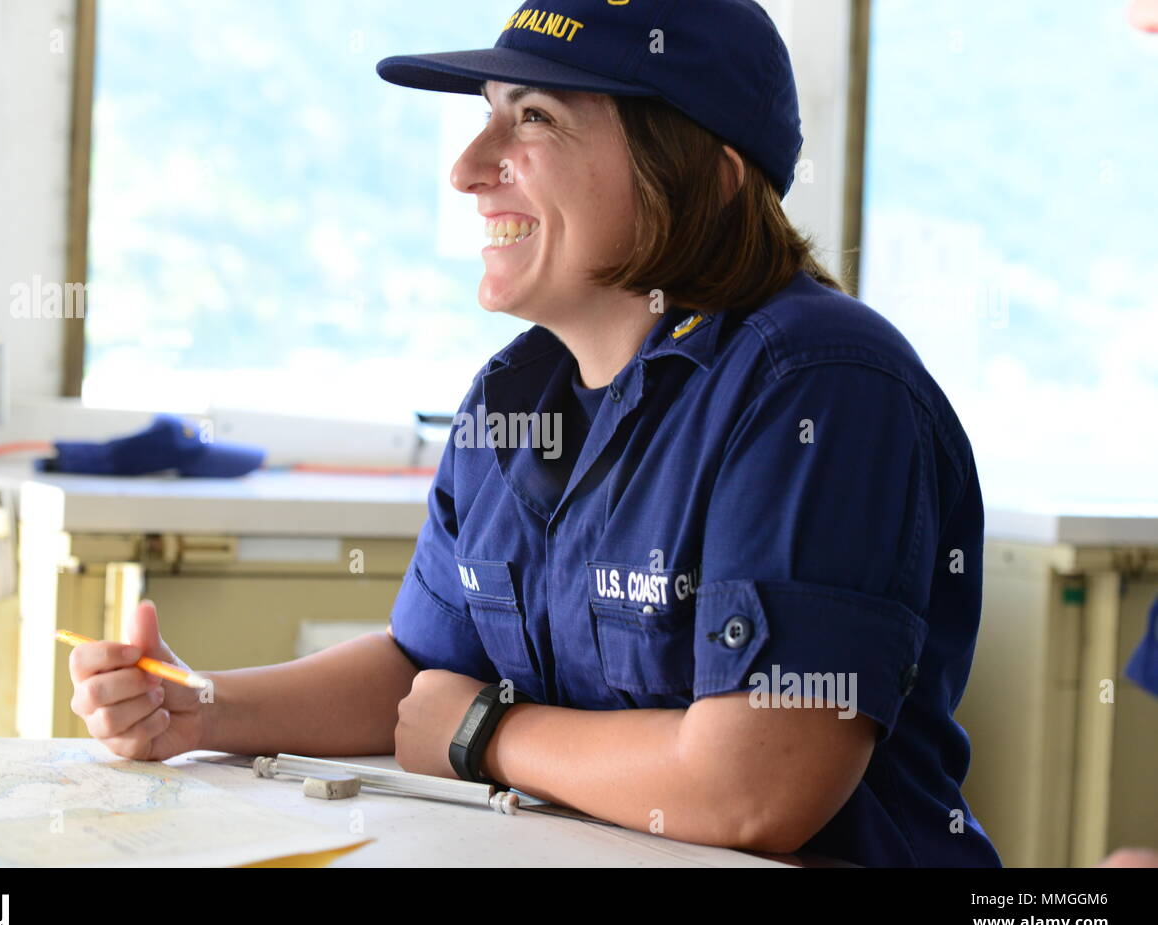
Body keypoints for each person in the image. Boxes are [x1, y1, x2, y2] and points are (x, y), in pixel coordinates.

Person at [70, 0, 1000, 867]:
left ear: (701, 172)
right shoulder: (520, 389)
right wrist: (200, 708)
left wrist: (486, 734)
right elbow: (421, 667)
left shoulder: (818, 386)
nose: (469, 167)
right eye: (486, 114)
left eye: (535, 120)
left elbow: (755, 785)